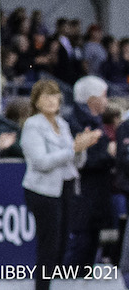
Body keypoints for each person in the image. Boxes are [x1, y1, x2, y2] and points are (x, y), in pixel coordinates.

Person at [21, 77, 100, 290]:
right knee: (49, 244)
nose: (51, 100)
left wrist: (81, 148)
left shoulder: (62, 124)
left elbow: (77, 162)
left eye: (54, 96)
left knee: (63, 243)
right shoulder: (33, 125)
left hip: (65, 186)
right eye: (45, 96)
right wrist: (73, 149)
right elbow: (40, 162)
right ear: (36, 101)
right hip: (43, 190)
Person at [64, 75, 115, 265]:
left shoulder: (94, 121)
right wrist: (108, 154)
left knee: (89, 247)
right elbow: (79, 159)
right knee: (78, 247)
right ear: (93, 99)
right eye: (104, 96)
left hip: (96, 196)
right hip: (81, 195)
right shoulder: (74, 122)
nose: (106, 101)